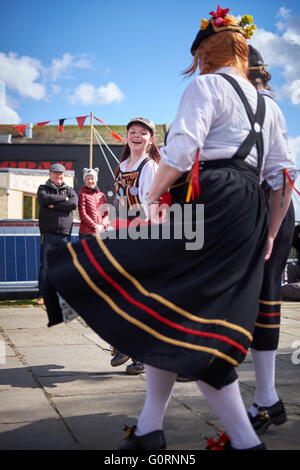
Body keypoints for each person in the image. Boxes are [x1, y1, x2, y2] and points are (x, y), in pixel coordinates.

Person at [44, 6, 296, 450]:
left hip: (210, 199)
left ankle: (242, 442)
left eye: (199, 58)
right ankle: (148, 429)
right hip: (251, 211)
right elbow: (282, 180)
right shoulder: (270, 108)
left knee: (186, 319)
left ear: (206, 55)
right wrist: (272, 233)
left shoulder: (206, 86)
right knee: (168, 306)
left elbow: (180, 153)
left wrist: (151, 196)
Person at [247, 45, 296, 433]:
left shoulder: (264, 109)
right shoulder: (246, 107)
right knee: (251, 297)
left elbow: (281, 175)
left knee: (264, 296)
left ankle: (267, 399)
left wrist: (273, 231)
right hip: (254, 208)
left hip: (270, 208)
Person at [110, 117, 160, 375]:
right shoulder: (122, 166)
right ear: (126, 137)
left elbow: (152, 205)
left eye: (143, 132)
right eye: (132, 132)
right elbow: (119, 201)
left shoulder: (149, 166)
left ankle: (133, 350)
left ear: (151, 139)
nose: (137, 135)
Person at [36, 163, 78, 305]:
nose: (59, 177)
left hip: (65, 235)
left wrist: (54, 205)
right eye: (56, 174)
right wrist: (63, 199)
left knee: (63, 266)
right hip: (48, 234)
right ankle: (42, 296)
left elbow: (73, 204)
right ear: (50, 175)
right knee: (46, 267)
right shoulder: (43, 188)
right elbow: (43, 199)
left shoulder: (69, 190)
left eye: (61, 174)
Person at [78, 168, 108, 240]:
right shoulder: (82, 195)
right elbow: (83, 214)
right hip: (86, 233)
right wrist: (95, 226)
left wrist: (102, 226)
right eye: (87, 179)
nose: (90, 181)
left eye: (92, 178)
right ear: (85, 181)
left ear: (96, 180)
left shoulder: (102, 195)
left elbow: (106, 214)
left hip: (100, 232)